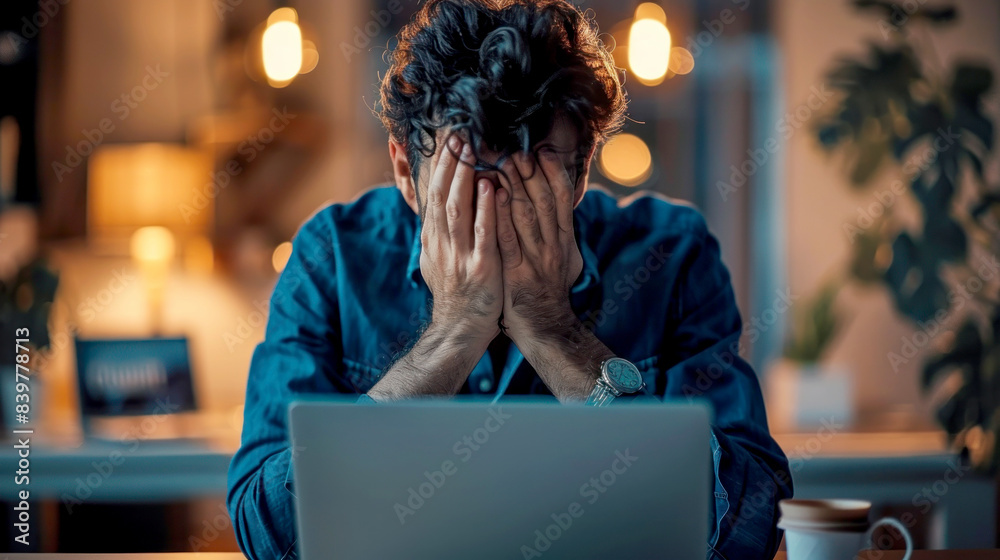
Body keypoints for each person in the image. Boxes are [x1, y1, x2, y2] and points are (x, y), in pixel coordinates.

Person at [226, 1, 792, 558]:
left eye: (530, 184)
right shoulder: (333, 257)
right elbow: (269, 534)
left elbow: (749, 530)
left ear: (580, 174)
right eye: (469, 183)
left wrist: (554, 331)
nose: (497, 216)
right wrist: (452, 333)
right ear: (404, 170)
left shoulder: (672, 256)